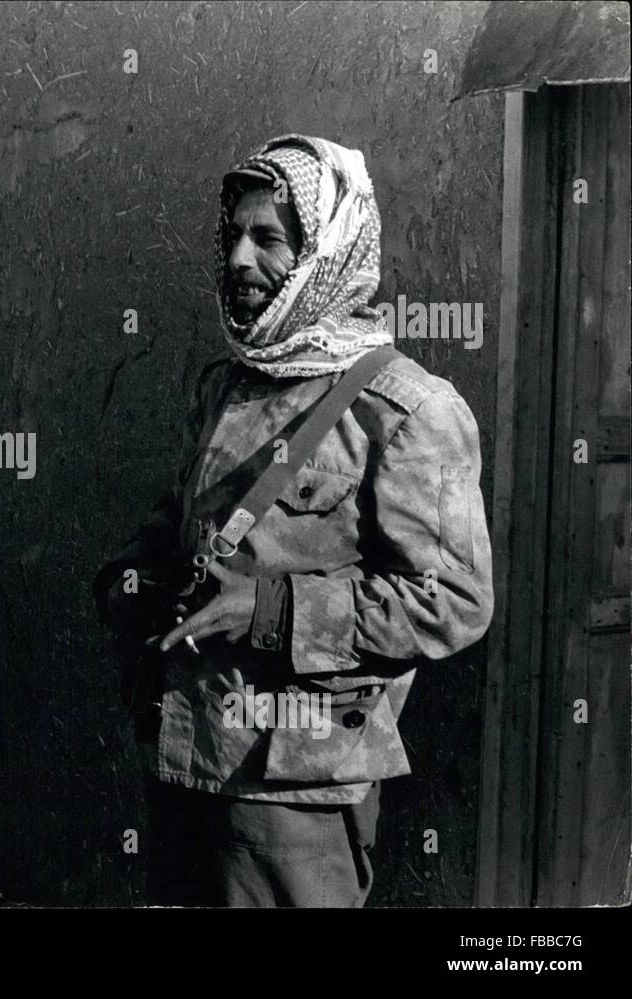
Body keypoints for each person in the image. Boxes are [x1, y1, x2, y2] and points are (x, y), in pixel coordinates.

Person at [95, 136, 493, 907]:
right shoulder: (228, 386)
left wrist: (272, 608)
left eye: (269, 238)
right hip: (188, 755)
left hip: (297, 791)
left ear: (329, 251)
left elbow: (453, 602)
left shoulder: (408, 409)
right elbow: (175, 525)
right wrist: (130, 580)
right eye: (232, 236)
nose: (240, 258)